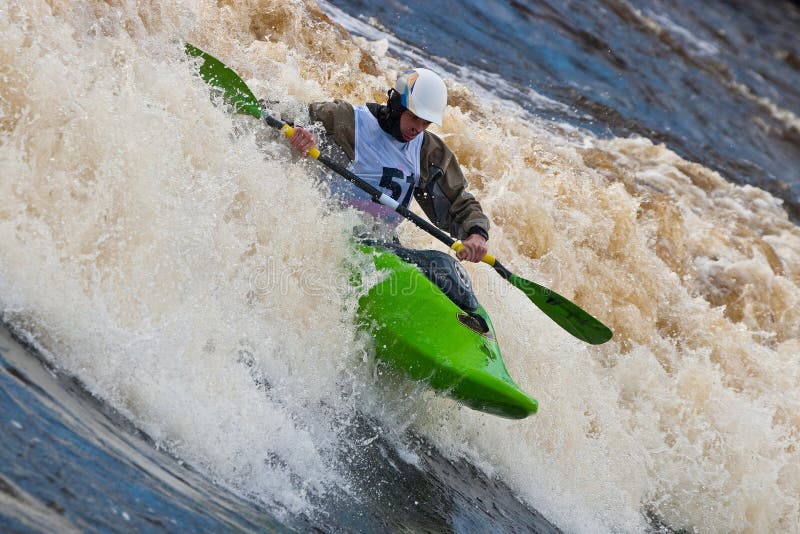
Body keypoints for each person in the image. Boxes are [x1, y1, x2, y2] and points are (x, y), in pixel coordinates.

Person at [287, 68, 490, 263]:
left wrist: (476, 234)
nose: (417, 128)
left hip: (383, 245)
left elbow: (458, 202)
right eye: (413, 117)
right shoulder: (345, 120)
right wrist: (297, 132)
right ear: (397, 106)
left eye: (426, 122)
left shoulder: (427, 151)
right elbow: (278, 114)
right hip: (333, 234)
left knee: (444, 265)